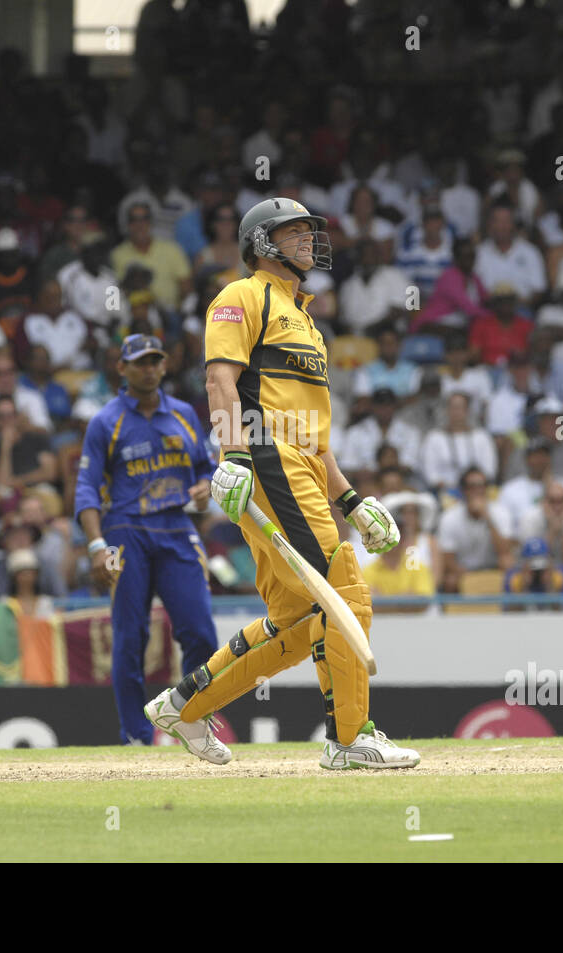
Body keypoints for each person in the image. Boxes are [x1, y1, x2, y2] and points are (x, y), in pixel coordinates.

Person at [144, 198, 418, 769]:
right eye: (294, 234)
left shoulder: (309, 324)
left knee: (300, 618)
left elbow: (313, 430)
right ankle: (349, 738)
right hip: (268, 459)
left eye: (308, 233)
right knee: (344, 590)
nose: (308, 242)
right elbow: (220, 379)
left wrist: (351, 497)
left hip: (303, 467)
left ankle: (185, 705)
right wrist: (234, 456)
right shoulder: (241, 295)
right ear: (262, 243)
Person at [74, 334, 218, 745]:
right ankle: (136, 735)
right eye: (139, 362)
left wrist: (206, 487)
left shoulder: (186, 413)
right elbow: (86, 487)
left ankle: (191, 719)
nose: (148, 368)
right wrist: (97, 546)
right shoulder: (106, 421)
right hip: (124, 533)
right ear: (121, 368)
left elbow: (207, 468)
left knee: (200, 633)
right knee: (130, 634)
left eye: (154, 361)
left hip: (176, 526)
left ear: (165, 365)